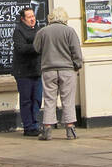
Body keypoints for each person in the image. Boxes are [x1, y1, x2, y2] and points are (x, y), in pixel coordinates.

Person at [34, 7, 82, 140]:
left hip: (48, 70)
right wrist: (77, 65)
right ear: (64, 18)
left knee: (49, 100)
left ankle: (47, 129)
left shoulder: (43, 31)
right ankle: (70, 130)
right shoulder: (69, 31)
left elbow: (36, 48)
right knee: (68, 100)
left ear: (51, 17)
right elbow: (76, 52)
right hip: (67, 70)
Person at [12, 6, 43, 136]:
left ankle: (35, 124)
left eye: (33, 16)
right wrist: (37, 47)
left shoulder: (39, 29)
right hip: (23, 72)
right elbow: (21, 48)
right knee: (26, 100)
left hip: (37, 70)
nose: (32, 19)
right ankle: (28, 127)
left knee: (37, 99)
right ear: (23, 19)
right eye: (29, 17)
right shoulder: (18, 31)